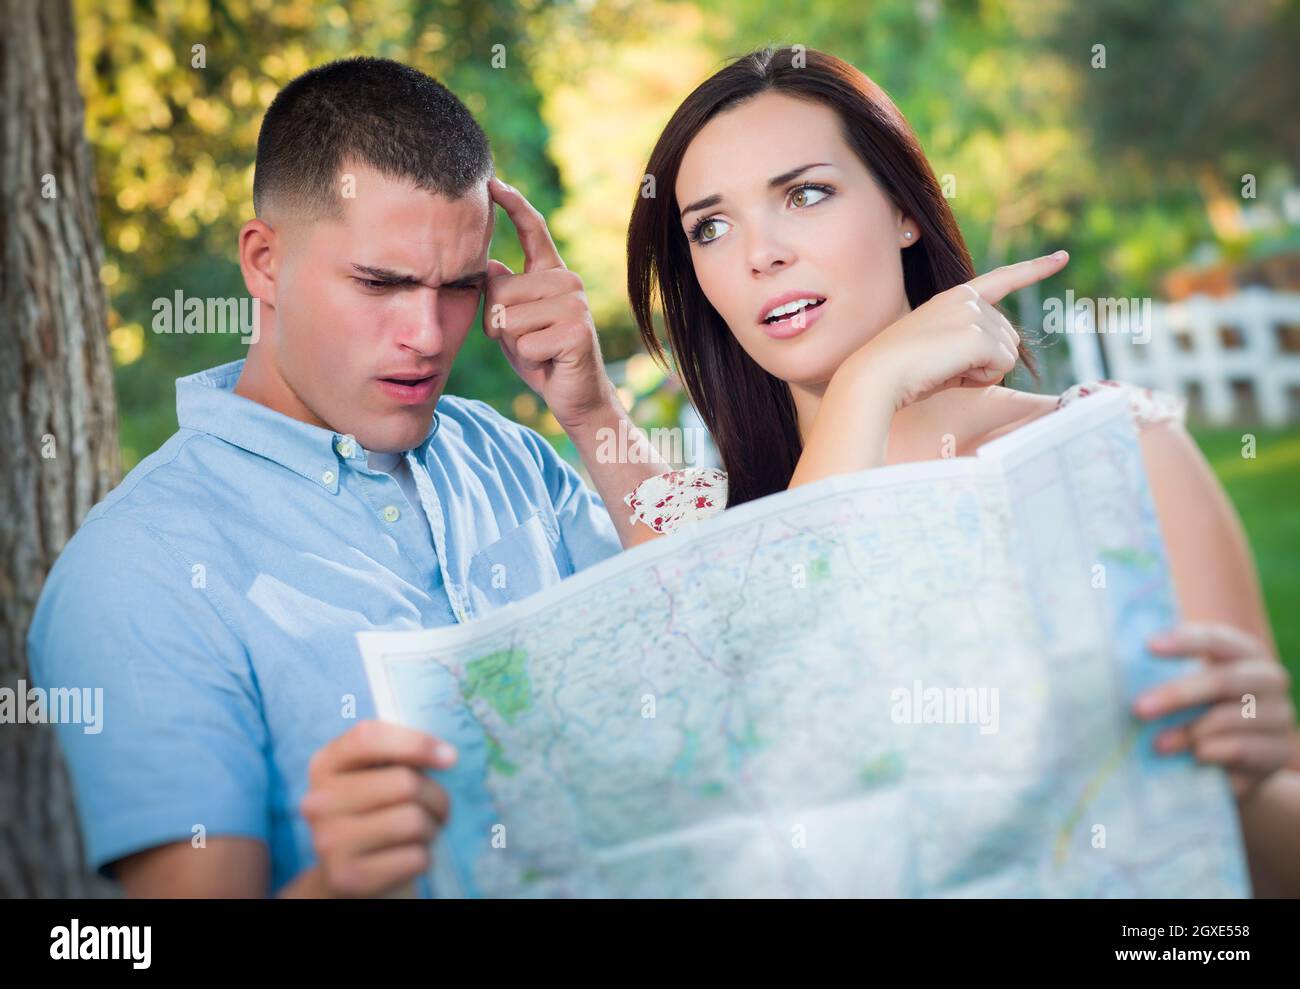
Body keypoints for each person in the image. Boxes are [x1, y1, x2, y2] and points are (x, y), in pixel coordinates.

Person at [622, 46, 1300, 895]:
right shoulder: (679, 530)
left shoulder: (1118, 454)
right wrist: (866, 390)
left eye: (805, 194)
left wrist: (1247, 785)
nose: (761, 254)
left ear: (905, 210)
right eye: (710, 228)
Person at [28, 57, 663, 898]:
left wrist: (595, 416)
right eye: (381, 282)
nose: (428, 335)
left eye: (460, 287)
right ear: (263, 263)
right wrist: (337, 884)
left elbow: (716, 621)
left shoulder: (509, 457)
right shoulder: (136, 571)